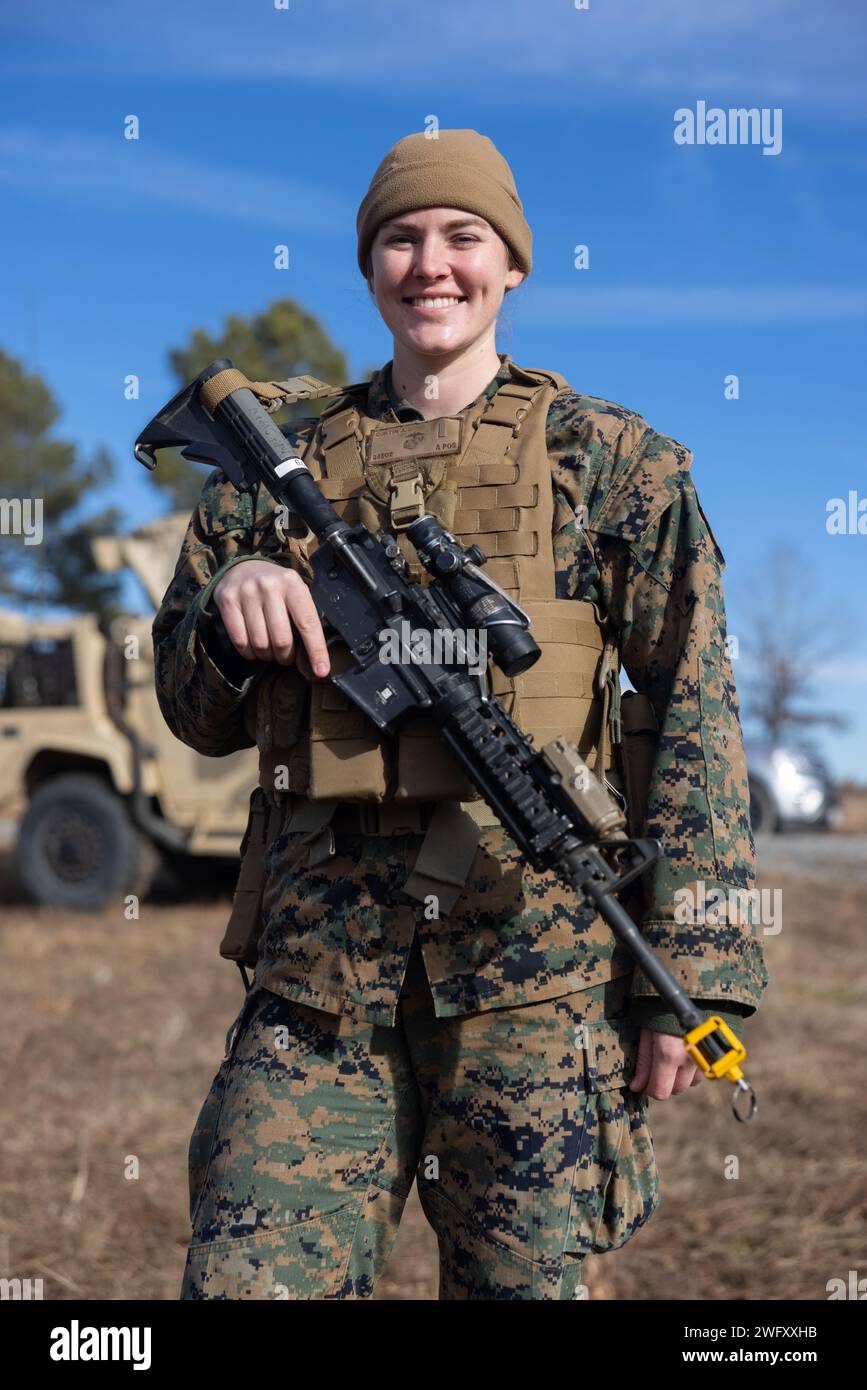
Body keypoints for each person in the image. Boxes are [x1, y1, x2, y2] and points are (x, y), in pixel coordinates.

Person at [152, 129, 768, 1301]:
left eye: (462, 237)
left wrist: (700, 982)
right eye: (401, 238)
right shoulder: (268, 471)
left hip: (537, 994)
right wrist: (231, 612)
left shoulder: (616, 463)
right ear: (370, 266)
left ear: (513, 266)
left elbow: (695, 715)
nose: (431, 264)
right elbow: (193, 713)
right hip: (317, 985)